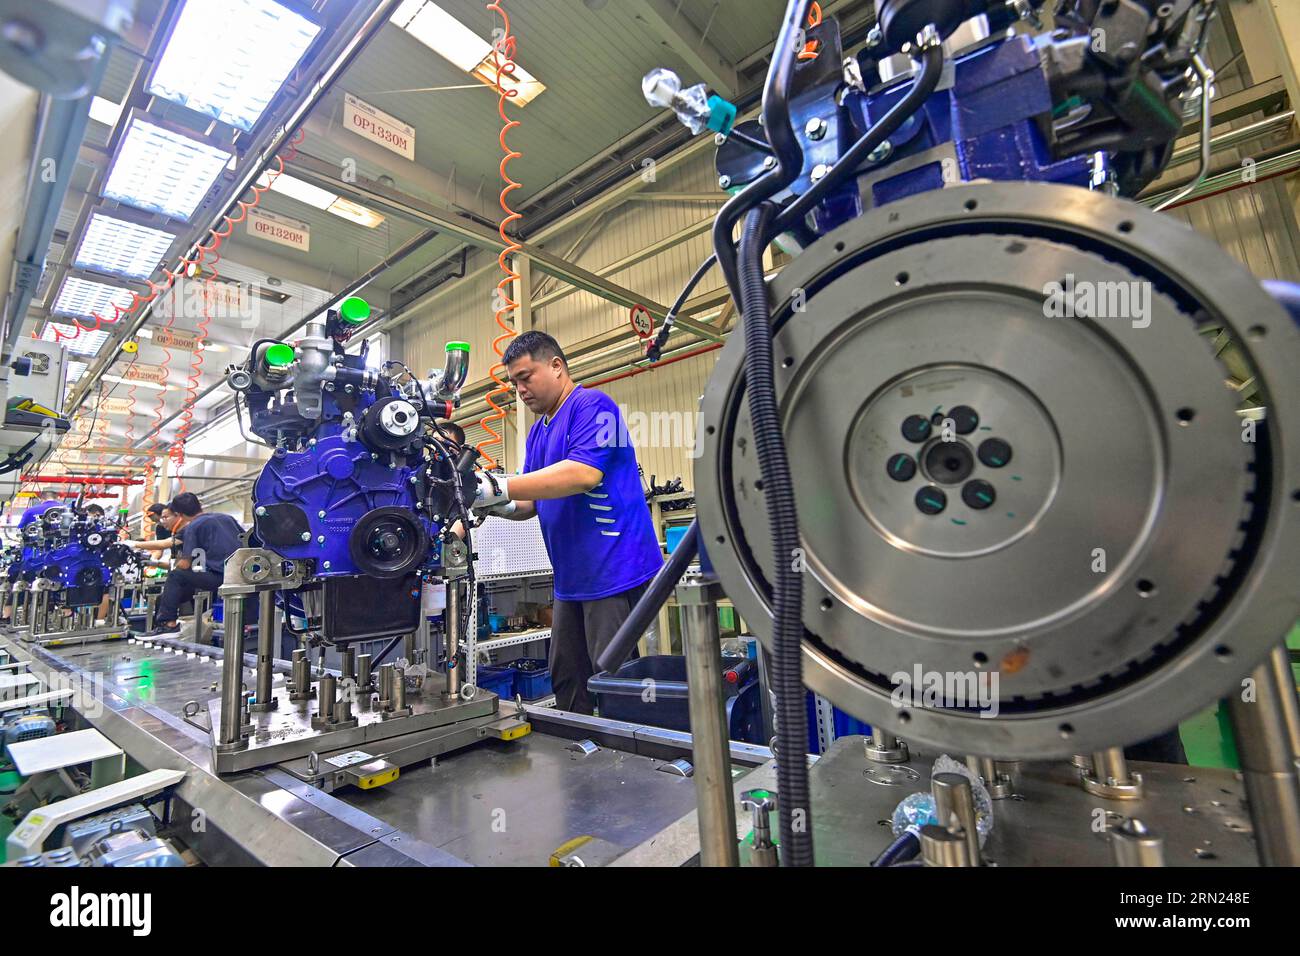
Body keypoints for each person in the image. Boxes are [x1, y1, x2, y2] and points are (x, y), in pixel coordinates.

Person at [474, 331, 663, 714]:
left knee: (612, 679)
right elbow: (528, 502)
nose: (520, 389)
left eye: (526, 376)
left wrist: (497, 484)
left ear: (557, 366)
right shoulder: (537, 433)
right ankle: (579, 758)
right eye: (514, 382)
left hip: (613, 571)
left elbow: (583, 474)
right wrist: (490, 503)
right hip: (572, 579)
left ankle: (626, 763)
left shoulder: (594, 406)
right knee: (567, 676)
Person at [143, 492, 245, 636]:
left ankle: (168, 624)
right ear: (199, 505)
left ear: (179, 514)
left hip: (220, 578)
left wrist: (168, 565)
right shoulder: (227, 518)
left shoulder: (193, 526)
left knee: (176, 576)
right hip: (242, 575)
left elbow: (185, 564)